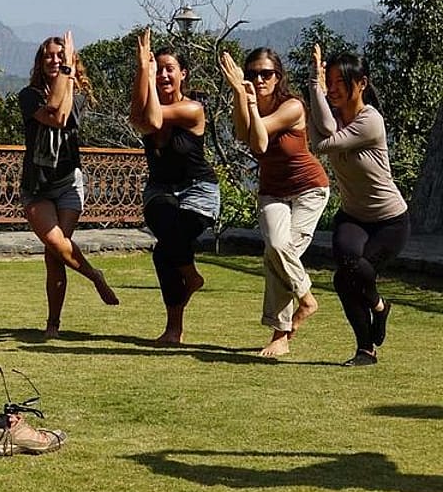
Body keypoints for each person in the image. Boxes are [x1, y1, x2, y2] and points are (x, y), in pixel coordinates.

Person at [220, 47, 329, 357]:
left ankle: (281, 333)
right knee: (276, 249)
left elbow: (261, 138)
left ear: (278, 77)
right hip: (272, 191)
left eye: (266, 73)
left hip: (309, 189)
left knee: (279, 251)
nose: (259, 78)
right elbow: (249, 138)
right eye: (252, 73)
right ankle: (306, 299)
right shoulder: (245, 100)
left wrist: (250, 103)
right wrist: (242, 98)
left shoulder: (292, 106)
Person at [307, 45, 407, 367]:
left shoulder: (370, 121)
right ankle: (368, 346)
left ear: (361, 83)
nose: (333, 88)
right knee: (344, 274)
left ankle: (379, 307)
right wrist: (315, 86)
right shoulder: (333, 116)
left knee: (347, 276)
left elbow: (322, 144)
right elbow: (317, 135)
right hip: (352, 216)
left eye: (340, 81)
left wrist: (317, 99)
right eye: (329, 81)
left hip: (389, 222)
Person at [20, 32, 118, 339]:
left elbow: (63, 114)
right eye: (48, 55)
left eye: (61, 55)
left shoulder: (79, 95)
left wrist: (68, 75)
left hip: (67, 182)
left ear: (72, 61)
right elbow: (53, 114)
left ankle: (53, 323)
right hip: (37, 185)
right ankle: (95, 276)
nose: (54, 60)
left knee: (55, 254)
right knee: (57, 244)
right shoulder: (28, 95)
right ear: (40, 61)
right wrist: (66, 71)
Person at [129, 28, 220, 346]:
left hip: (200, 190)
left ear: (183, 74)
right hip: (161, 189)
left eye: (170, 69)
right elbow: (139, 117)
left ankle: (173, 329)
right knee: (166, 229)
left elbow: (150, 120)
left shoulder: (193, 109)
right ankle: (190, 278)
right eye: (160, 69)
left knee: (164, 252)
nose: (164, 75)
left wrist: (147, 74)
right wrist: (143, 70)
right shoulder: (148, 97)